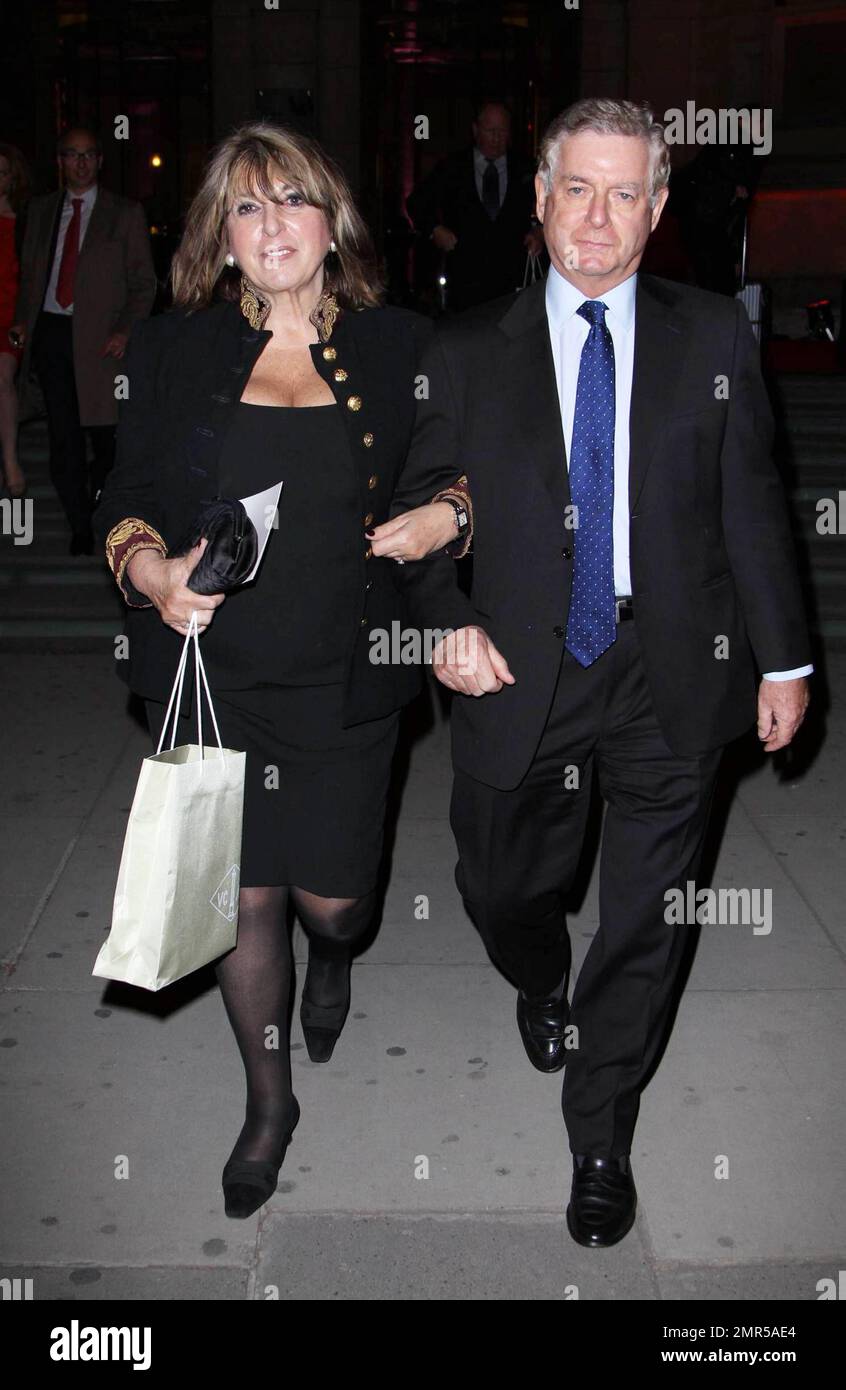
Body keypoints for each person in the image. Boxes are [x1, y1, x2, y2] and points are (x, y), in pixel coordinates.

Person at [389, 98, 812, 1249]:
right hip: (518, 663)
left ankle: (599, 1131)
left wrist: (784, 656)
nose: (599, 217)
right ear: (539, 197)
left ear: (659, 209)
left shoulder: (713, 333)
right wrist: (440, 621)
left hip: (671, 664)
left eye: (627, 193)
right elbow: (418, 519)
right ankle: (537, 975)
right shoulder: (466, 349)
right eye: (578, 187)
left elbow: (752, 506)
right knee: (500, 885)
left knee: (646, 917)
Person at [92, 121, 471, 1221]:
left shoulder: (404, 345)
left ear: (333, 219)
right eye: (248, 207)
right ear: (220, 233)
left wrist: (441, 516)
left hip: (347, 680)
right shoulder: (174, 351)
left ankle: (339, 956)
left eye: (293, 200)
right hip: (217, 679)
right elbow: (124, 501)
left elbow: (473, 472)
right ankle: (269, 1103)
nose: (274, 227)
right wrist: (153, 572)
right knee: (242, 900)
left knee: (334, 902)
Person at [12, 126, 157, 553]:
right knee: (63, 437)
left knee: (107, 438)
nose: (80, 162)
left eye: (88, 155)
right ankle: (79, 523)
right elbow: (30, 276)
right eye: (72, 155)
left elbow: (144, 283)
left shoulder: (123, 213)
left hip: (102, 341)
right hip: (53, 332)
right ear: (59, 162)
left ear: (99, 161)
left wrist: (126, 330)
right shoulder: (40, 211)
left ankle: (104, 513)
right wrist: (23, 321)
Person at [406, 98, 543, 312]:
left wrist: (539, 231)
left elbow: (551, 204)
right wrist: (434, 229)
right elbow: (416, 202)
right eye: (490, 131)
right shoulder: (453, 167)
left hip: (511, 274)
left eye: (502, 131)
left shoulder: (524, 168)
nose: (497, 138)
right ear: (476, 130)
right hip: (465, 273)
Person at [0, 143, 30, 498]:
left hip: (11, 315)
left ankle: (10, 461)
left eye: (3, 172)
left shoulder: (24, 219)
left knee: (4, 377)